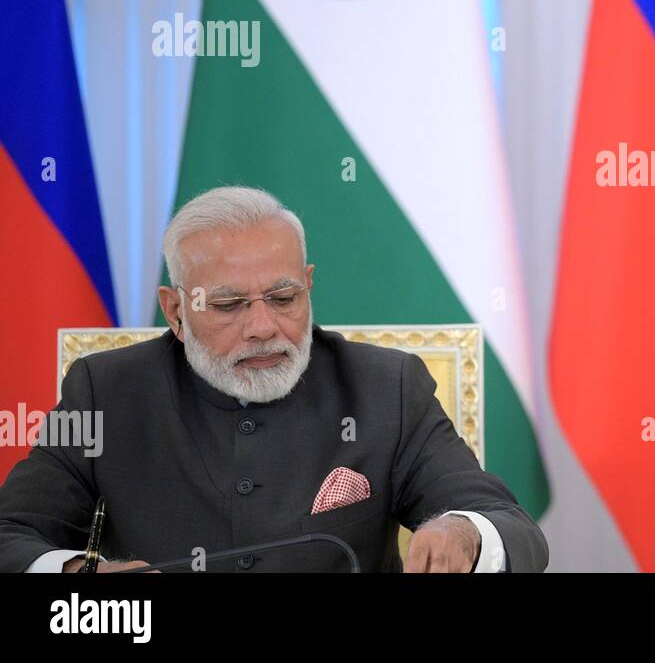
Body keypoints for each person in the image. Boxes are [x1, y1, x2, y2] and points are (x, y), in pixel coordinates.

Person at [0, 186, 548, 573]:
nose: (264, 327)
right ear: (174, 312)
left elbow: (512, 526)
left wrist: (464, 533)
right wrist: (78, 577)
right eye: (229, 305)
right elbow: (11, 535)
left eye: (284, 299)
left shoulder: (387, 388)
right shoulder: (106, 391)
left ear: (308, 285)